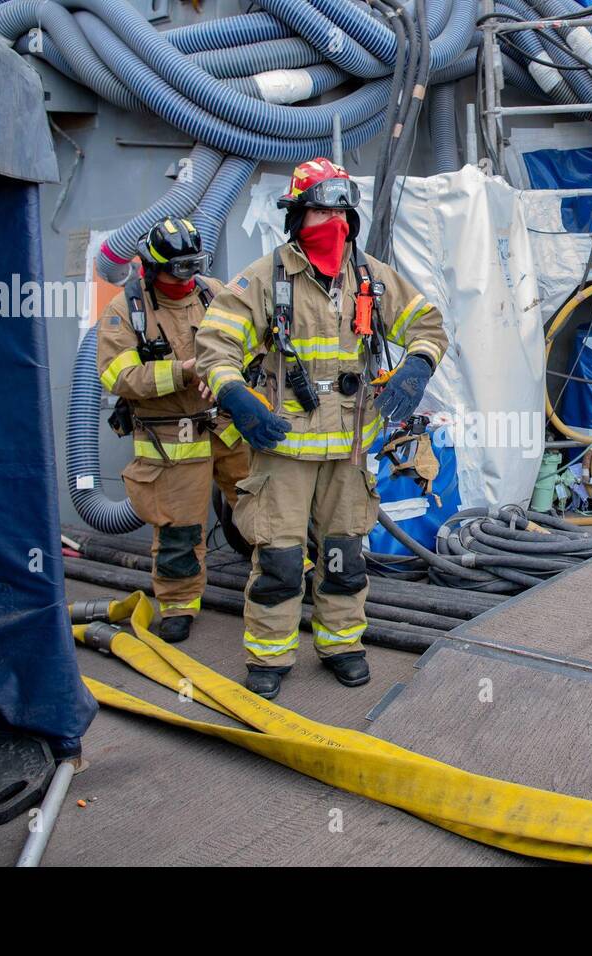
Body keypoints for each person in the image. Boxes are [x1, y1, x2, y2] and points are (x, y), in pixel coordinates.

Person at [195, 158, 447, 701]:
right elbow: (215, 342)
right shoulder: (266, 279)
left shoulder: (372, 278)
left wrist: (417, 366)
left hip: (352, 446)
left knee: (343, 553)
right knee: (280, 559)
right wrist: (237, 395)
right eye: (320, 211)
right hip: (283, 443)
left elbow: (427, 324)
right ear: (297, 217)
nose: (331, 223)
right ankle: (269, 655)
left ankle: (341, 644)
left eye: (341, 212)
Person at [97, 217, 249, 644]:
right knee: (180, 527)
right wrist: (182, 371)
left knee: (264, 502)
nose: (186, 278)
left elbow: (250, 339)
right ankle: (180, 604)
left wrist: (231, 372)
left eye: (193, 266)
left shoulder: (212, 291)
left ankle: (288, 576)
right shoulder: (125, 312)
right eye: (177, 270)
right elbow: (117, 376)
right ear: (151, 267)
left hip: (225, 425)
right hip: (171, 438)